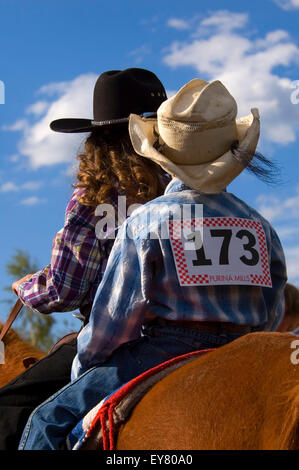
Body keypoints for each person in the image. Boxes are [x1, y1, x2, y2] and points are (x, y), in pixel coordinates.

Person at [18, 78, 287, 450]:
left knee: (47, 420)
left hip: (161, 349)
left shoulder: (148, 221)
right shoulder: (259, 226)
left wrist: (86, 367)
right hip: (247, 347)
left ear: (163, 149)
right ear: (232, 152)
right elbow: (273, 308)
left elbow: (112, 321)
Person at [0, 68, 169, 450]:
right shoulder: (180, 188)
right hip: (197, 334)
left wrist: (25, 286)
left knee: (11, 411)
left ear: (98, 137)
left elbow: (64, 289)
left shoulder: (95, 197)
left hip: (117, 341)